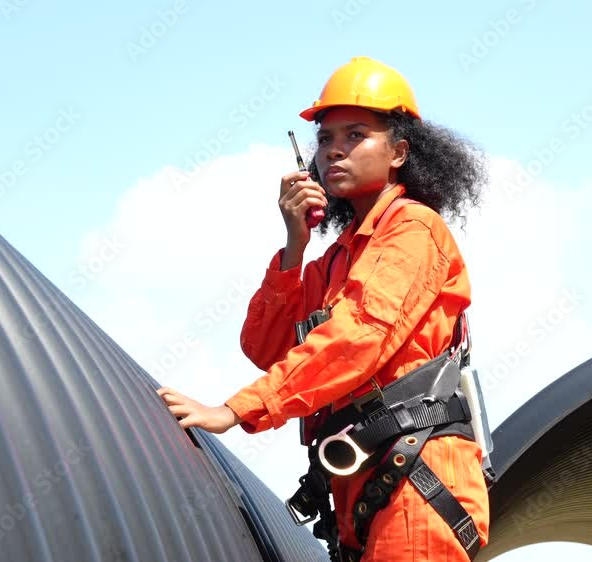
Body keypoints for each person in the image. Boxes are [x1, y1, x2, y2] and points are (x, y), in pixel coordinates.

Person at [157, 56, 489, 561]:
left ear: (399, 152)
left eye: (356, 135)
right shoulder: (336, 259)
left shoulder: (413, 231)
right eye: (326, 139)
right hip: (365, 484)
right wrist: (294, 245)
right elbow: (266, 347)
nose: (334, 151)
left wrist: (233, 411)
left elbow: (356, 339)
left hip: (415, 483)